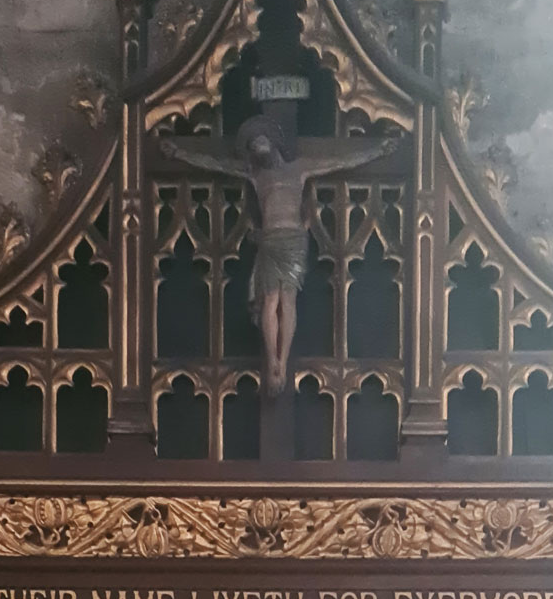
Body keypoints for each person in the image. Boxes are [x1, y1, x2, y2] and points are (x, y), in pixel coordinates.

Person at [159, 112, 399, 395]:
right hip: (271, 240)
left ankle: (282, 361)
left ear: (271, 144)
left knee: (288, 300)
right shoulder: (256, 174)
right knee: (271, 300)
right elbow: (215, 164)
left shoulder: (299, 169)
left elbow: (340, 161)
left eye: (259, 143)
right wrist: (179, 153)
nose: (256, 150)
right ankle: (272, 358)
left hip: (294, 240)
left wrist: (378, 150)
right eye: (252, 148)